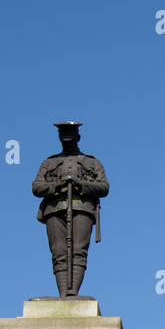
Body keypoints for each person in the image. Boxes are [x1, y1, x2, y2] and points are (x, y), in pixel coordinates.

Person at [32, 121, 109, 296]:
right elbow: (36, 187)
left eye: (71, 138)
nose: (67, 142)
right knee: (58, 251)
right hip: (54, 208)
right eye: (64, 139)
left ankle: (73, 292)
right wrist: (57, 186)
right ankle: (63, 294)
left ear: (78, 138)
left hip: (82, 208)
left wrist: (80, 184)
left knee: (78, 250)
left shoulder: (92, 162)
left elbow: (104, 187)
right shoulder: (48, 162)